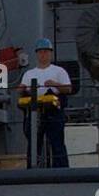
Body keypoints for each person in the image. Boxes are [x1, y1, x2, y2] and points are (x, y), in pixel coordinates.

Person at [19, 38, 72, 168]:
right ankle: (32, 169)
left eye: (46, 52)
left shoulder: (59, 71)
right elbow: (21, 90)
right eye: (41, 52)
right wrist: (22, 88)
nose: (43, 54)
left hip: (54, 111)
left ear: (50, 53)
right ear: (37, 54)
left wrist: (55, 84)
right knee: (33, 143)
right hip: (34, 110)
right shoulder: (29, 73)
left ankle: (61, 170)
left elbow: (68, 89)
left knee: (57, 142)